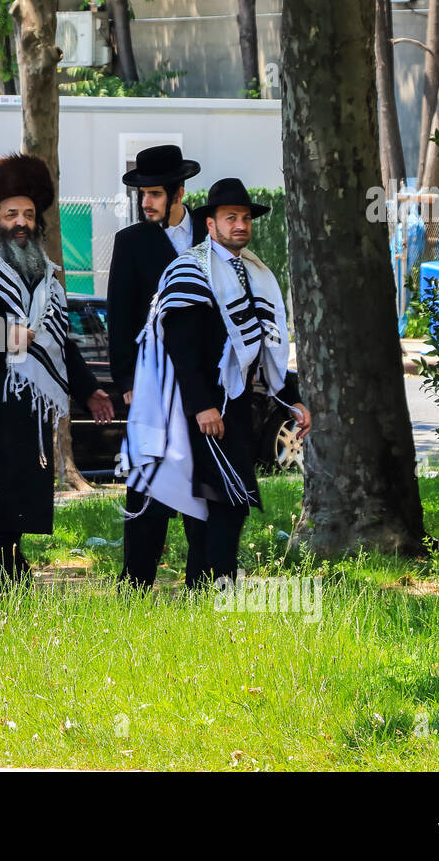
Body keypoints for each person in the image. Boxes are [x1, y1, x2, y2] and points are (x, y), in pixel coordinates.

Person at [121, 178, 312, 589]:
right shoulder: (191, 269)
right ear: (211, 225)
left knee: (223, 502)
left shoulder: (256, 274)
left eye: (244, 218)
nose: (240, 225)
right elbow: (180, 347)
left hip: (235, 406)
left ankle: (206, 590)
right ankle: (174, 589)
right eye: (231, 218)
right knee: (206, 499)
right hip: (190, 408)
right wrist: (202, 406)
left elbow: (264, 348)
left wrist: (291, 401)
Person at [0, 153, 114, 587]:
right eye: (11, 213)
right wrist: (4, 336)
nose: (21, 221)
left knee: (15, 506)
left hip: (30, 413)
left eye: (28, 214)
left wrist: (89, 389)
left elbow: (58, 342)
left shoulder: (46, 274)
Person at [107, 144, 203, 403]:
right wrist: (127, 379)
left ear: (178, 193)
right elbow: (119, 315)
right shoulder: (129, 242)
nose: (145, 203)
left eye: (155, 194)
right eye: (143, 193)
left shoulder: (210, 233)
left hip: (209, 376)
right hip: (155, 377)